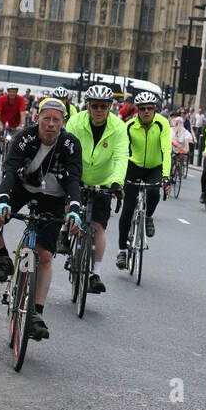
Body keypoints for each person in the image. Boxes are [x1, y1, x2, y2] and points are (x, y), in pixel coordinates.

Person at [0, 98, 84, 340]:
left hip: (54, 198)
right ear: (38, 119)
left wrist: (74, 209)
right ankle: (3, 258)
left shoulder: (70, 144)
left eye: (56, 120)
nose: (50, 124)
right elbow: (10, 170)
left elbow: (73, 180)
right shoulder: (24, 138)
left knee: (44, 255)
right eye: (46, 118)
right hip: (23, 188)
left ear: (62, 122)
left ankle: (36, 313)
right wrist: (3, 199)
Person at [66, 83, 128, 294]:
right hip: (78, 174)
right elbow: (66, 150)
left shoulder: (118, 127)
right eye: (95, 106)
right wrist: (68, 176)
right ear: (88, 106)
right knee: (69, 206)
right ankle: (65, 231)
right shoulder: (75, 121)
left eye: (103, 106)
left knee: (99, 227)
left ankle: (95, 274)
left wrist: (117, 182)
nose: (99, 110)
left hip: (104, 180)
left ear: (110, 106)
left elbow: (121, 157)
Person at [115, 92, 171, 266]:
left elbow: (167, 150)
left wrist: (166, 176)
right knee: (128, 208)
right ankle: (122, 251)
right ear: (137, 110)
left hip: (155, 166)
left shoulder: (162, 124)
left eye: (150, 108)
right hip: (134, 167)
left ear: (155, 109)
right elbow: (122, 152)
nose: (147, 112)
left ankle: (148, 217)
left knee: (154, 192)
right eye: (143, 109)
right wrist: (119, 177)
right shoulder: (129, 126)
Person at [0, 85, 27, 157]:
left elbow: (23, 114)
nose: (12, 93)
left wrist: (21, 125)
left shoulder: (20, 99)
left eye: (14, 92)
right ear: (7, 92)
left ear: (16, 92)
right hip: (2, 121)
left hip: (15, 123)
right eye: (10, 92)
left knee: (17, 138)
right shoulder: (1, 99)